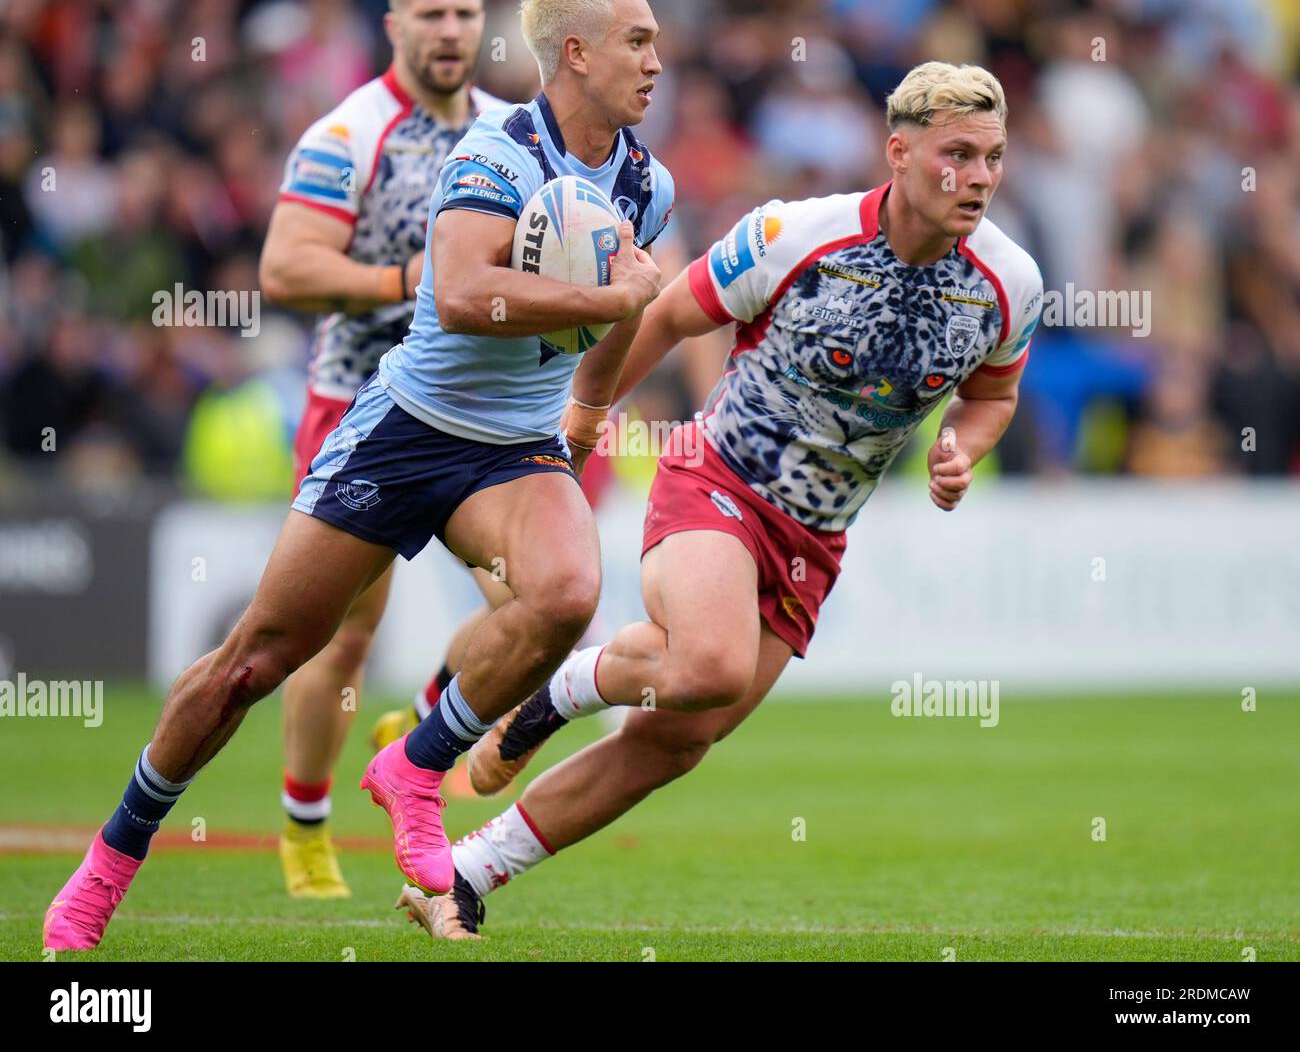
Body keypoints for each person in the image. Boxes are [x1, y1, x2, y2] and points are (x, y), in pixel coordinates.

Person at [42, 0, 672, 951]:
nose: (657, 57)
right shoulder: (497, 153)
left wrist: (589, 409)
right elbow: (466, 296)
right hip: (406, 428)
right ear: (576, 51)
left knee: (560, 597)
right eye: (637, 39)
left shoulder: (647, 178)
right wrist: (607, 300)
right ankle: (108, 863)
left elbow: (630, 314)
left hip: (512, 448)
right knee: (257, 660)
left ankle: (414, 763)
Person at [397, 61, 1045, 940]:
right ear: (898, 152)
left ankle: (466, 876)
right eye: (956, 154)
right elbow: (666, 316)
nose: (977, 178)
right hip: (718, 475)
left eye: (993, 158)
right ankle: (557, 693)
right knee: (708, 667)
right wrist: (583, 419)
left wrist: (960, 449)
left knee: (676, 742)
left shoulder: (1010, 284)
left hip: (816, 537)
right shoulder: (793, 234)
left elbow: (994, 395)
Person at [261, 0, 512, 900]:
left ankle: (418, 724)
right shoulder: (347, 132)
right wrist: (413, 282)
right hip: (358, 408)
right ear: (395, 26)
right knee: (340, 637)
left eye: (463, 14)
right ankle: (305, 829)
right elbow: (285, 271)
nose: (450, 31)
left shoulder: (508, 131)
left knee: (532, 607)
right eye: (432, 15)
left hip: (472, 410)